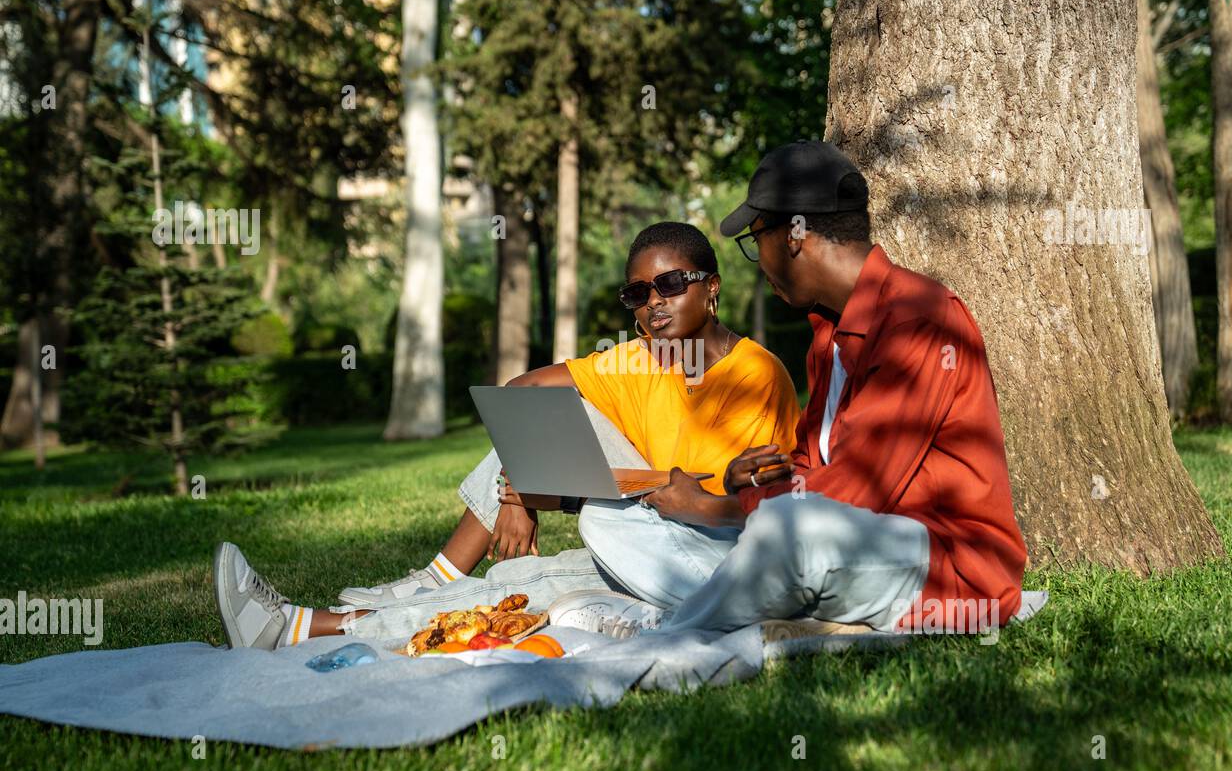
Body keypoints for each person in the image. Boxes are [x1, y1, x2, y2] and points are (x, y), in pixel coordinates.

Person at [214, 221, 801, 650]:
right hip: (646, 524)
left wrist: (547, 492)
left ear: (712, 286)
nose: (653, 304)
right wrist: (518, 488)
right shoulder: (637, 360)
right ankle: (308, 624)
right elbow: (522, 392)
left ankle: (384, 596)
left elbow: (741, 511)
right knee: (518, 578)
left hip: (702, 558)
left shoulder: (755, 376)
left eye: (670, 284)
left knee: (552, 568)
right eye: (637, 294)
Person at [541, 140, 1028, 639]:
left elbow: (856, 496)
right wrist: (750, 484)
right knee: (606, 521)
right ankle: (746, 611)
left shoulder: (920, 318)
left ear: (793, 236)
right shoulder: (829, 335)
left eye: (756, 239)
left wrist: (708, 507)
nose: (757, 260)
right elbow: (815, 473)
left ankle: (670, 631)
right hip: (830, 550)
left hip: (943, 572)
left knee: (787, 533)